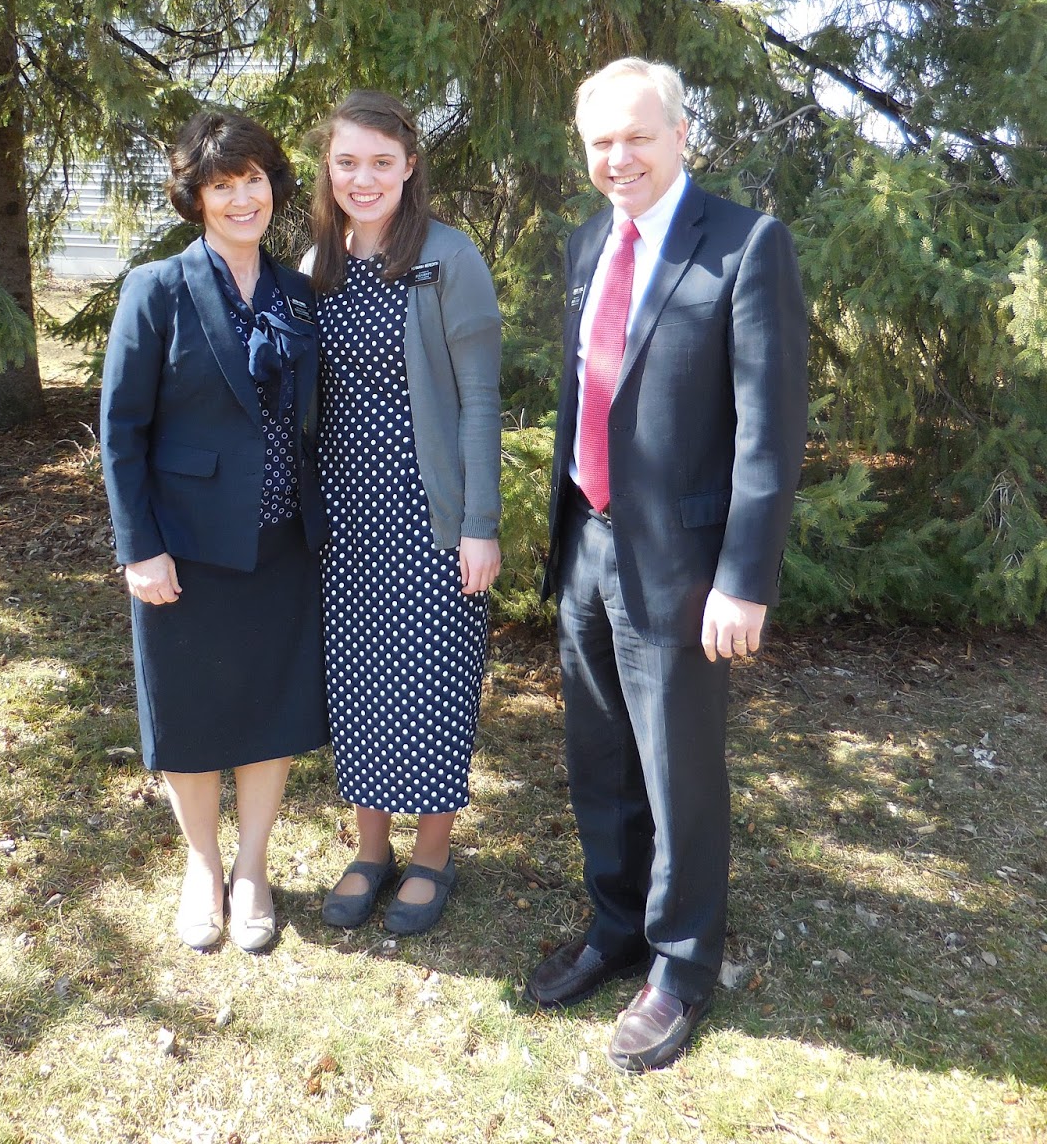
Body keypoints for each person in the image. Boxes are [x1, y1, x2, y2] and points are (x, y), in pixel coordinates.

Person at [523, 58, 808, 1069]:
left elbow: (769, 434)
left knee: (679, 772)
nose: (618, 158)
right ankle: (616, 927)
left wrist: (744, 576)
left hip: (684, 568)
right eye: (600, 141)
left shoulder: (744, 244)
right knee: (599, 761)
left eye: (637, 137)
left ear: (682, 134)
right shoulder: (587, 241)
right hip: (588, 544)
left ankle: (682, 964)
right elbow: (583, 393)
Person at [100, 111, 329, 954]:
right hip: (184, 549)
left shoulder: (298, 294)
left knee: (272, 708)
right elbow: (122, 431)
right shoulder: (155, 290)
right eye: (222, 185)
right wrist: (138, 546)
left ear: (274, 186)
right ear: (196, 198)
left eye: (255, 179)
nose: (243, 197)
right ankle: (202, 864)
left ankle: (254, 868)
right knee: (191, 711)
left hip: (281, 544)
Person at [304, 90, 502, 936]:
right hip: (347, 511)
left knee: (431, 682)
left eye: (382, 161)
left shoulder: (449, 259)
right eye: (348, 161)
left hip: (433, 511)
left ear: (410, 166)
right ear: (329, 169)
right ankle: (370, 847)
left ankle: (431, 857)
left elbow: (481, 401)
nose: (364, 177)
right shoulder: (319, 264)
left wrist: (481, 524)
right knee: (359, 682)